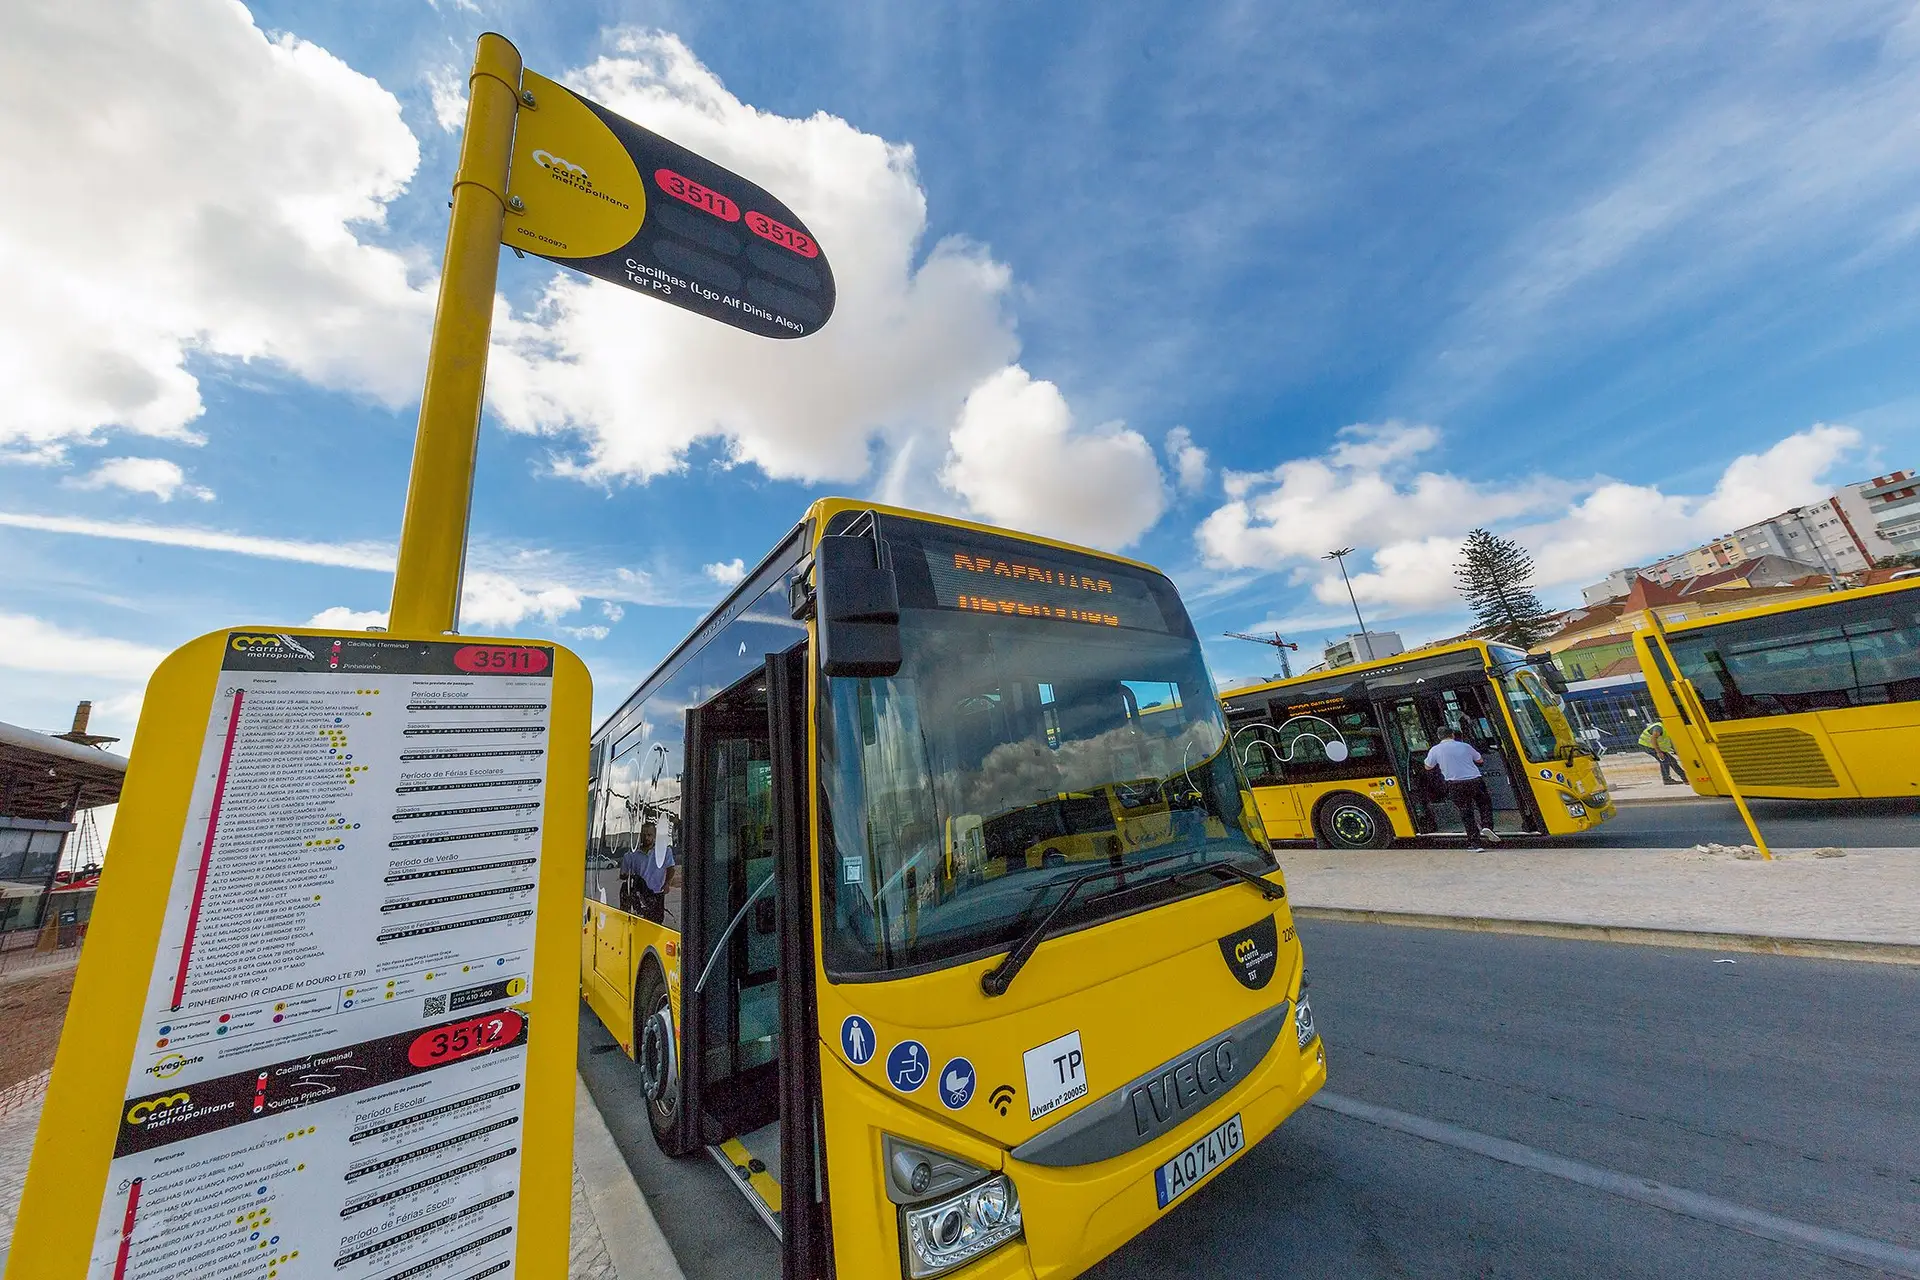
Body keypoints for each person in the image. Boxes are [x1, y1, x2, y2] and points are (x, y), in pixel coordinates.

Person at [1423, 726, 1500, 850]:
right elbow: (1479, 760)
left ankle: (1475, 844)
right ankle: (1487, 826)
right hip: (1475, 780)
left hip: (1455, 784)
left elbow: (1428, 766)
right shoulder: (1465, 746)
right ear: (1452, 735)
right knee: (1484, 804)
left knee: (1466, 812)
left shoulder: (1435, 750)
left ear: (1439, 737)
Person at [1638, 720, 1685, 785]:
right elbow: (1653, 739)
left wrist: (1675, 751)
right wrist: (1659, 752)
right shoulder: (1659, 727)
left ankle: (1684, 777)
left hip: (1654, 746)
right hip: (1646, 745)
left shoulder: (1666, 729)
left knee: (1672, 761)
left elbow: (1668, 741)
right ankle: (1667, 779)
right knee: (1664, 760)